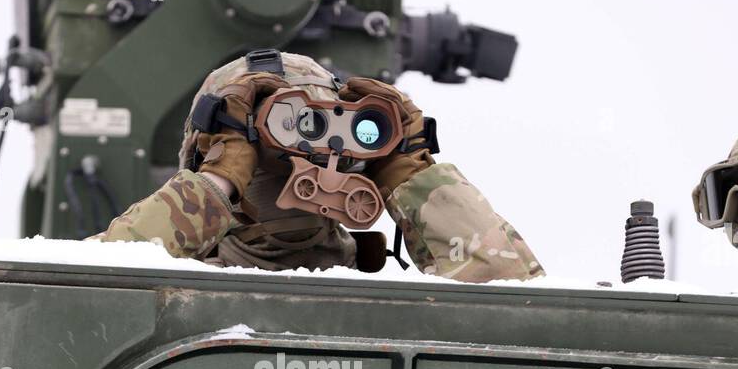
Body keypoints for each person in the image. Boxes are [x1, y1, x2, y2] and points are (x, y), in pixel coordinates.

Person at [90, 50, 543, 281]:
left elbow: (515, 305)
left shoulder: (391, 298)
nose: (309, 155)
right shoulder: (168, 282)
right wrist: (222, 176)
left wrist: (409, 175)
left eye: (329, 128)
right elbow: (83, 289)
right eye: (283, 128)